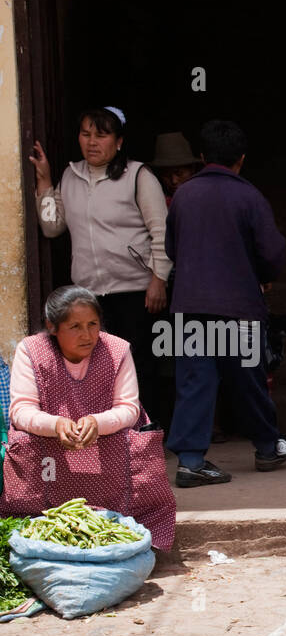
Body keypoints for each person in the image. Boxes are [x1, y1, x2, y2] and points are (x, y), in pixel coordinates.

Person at [165, 119, 286, 487]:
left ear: (202, 156)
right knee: (248, 380)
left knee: (194, 382)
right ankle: (268, 446)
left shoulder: (184, 196)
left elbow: (171, 249)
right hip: (238, 306)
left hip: (189, 304)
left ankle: (191, 462)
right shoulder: (249, 196)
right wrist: (262, 273)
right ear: (241, 159)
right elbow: (272, 252)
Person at [1, 286, 176, 550]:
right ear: (52, 326)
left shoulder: (117, 349)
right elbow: (21, 409)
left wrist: (96, 422)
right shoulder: (32, 350)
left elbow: (128, 408)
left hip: (107, 440)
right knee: (25, 442)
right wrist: (56, 425)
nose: (87, 335)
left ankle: (129, 532)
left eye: (93, 324)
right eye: (75, 327)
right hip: (50, 446)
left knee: (127, 441)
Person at [29, 107, 172, 426]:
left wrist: (158, 279)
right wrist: (45, 183)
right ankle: (110, 436)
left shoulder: (138, 176)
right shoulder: (71, 176)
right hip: (90, 295)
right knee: (98, 368)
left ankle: (144, 434)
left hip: (136, 291)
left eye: (101, 135)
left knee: (138, 365)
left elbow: (162, 231)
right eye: (86, 134)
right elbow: (52, 227)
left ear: (118, 142)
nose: (92, 142)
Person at [150, 132, 201, 205]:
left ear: (192, 169)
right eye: (166, 175)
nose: (174, 181)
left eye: (179, 173)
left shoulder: (206, 196)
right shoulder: (157, 203)